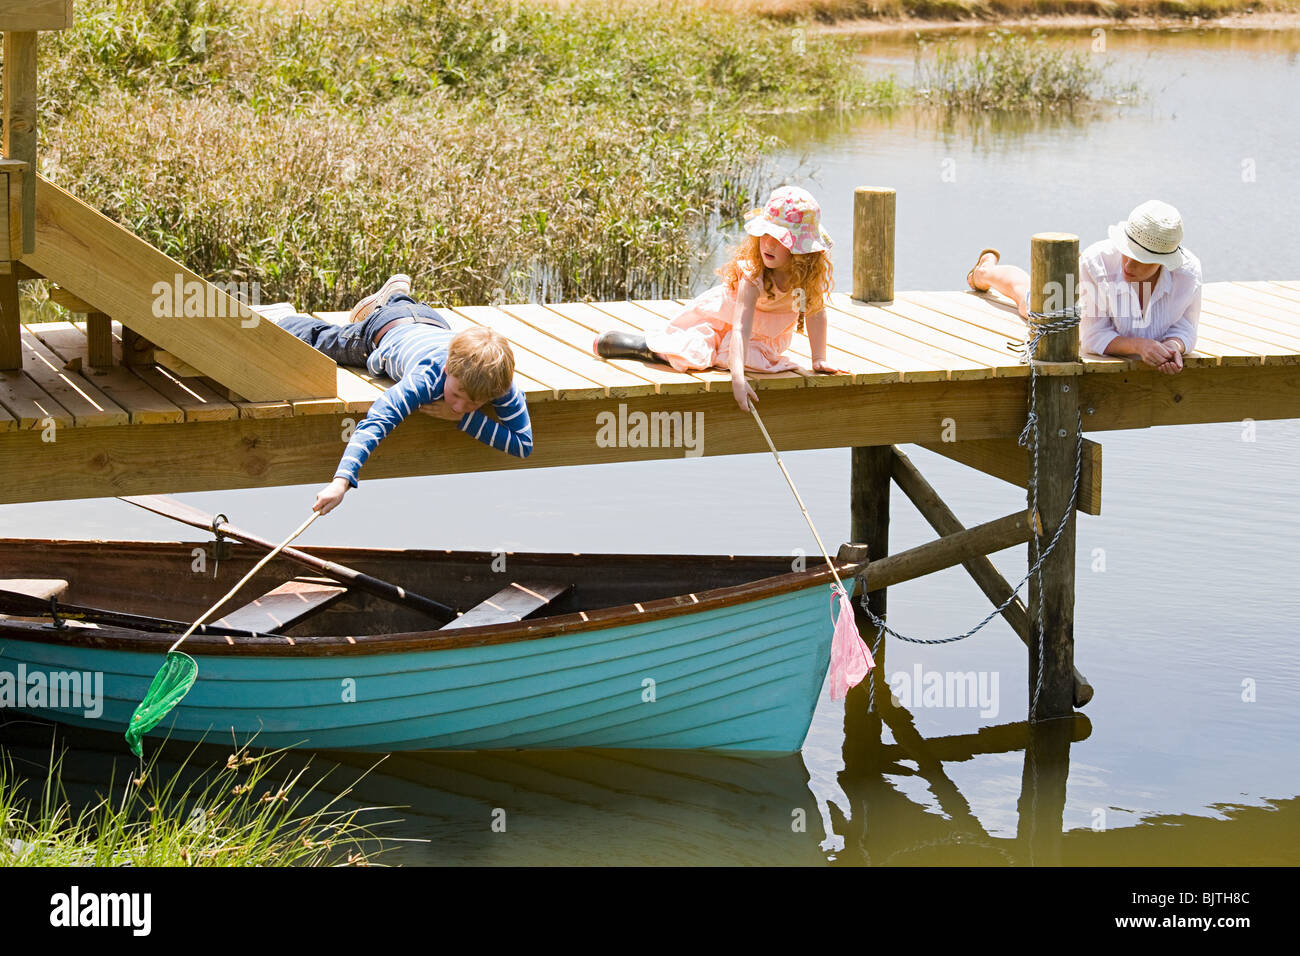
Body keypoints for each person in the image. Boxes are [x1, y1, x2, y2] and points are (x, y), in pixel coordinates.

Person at [273, 275, 533, 514]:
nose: (459, 406)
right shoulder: (426, 378)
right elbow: (375, 423)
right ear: (446, 368)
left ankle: (394, 297)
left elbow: (524, 445)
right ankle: (282, 318)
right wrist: (340, 483)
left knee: (399, 313)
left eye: (474, 403)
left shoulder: (499, 384)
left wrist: (464, 420)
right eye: (456, 394)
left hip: (430, 320)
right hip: (383, 332)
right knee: (325, 341)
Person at [593, 185, 845, 409]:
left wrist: (818, 358)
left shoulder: (805, 277)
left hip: (763, 335)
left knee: (754, 359)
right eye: (764, 235)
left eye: (779, 239)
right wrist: (737, 379)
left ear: (800, 251)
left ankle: (723, 355)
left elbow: (816, 312)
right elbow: (739, 329)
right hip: (721, 319)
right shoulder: (754, 275)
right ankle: (641, 347)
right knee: (694, 353)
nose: (768, 244)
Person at [966, 199, 1202, 375]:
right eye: (1126, 251)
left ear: (1163, 262)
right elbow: (1091, 337)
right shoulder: (1096, 262)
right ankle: (984, 272)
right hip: (1072, 299)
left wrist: (1173, 347)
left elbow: (1185, 328)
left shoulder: (1188, 274)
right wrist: (1140, 346)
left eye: (1140, 259)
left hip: (1092, 290)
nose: (1128, 264)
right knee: (1027, 298)